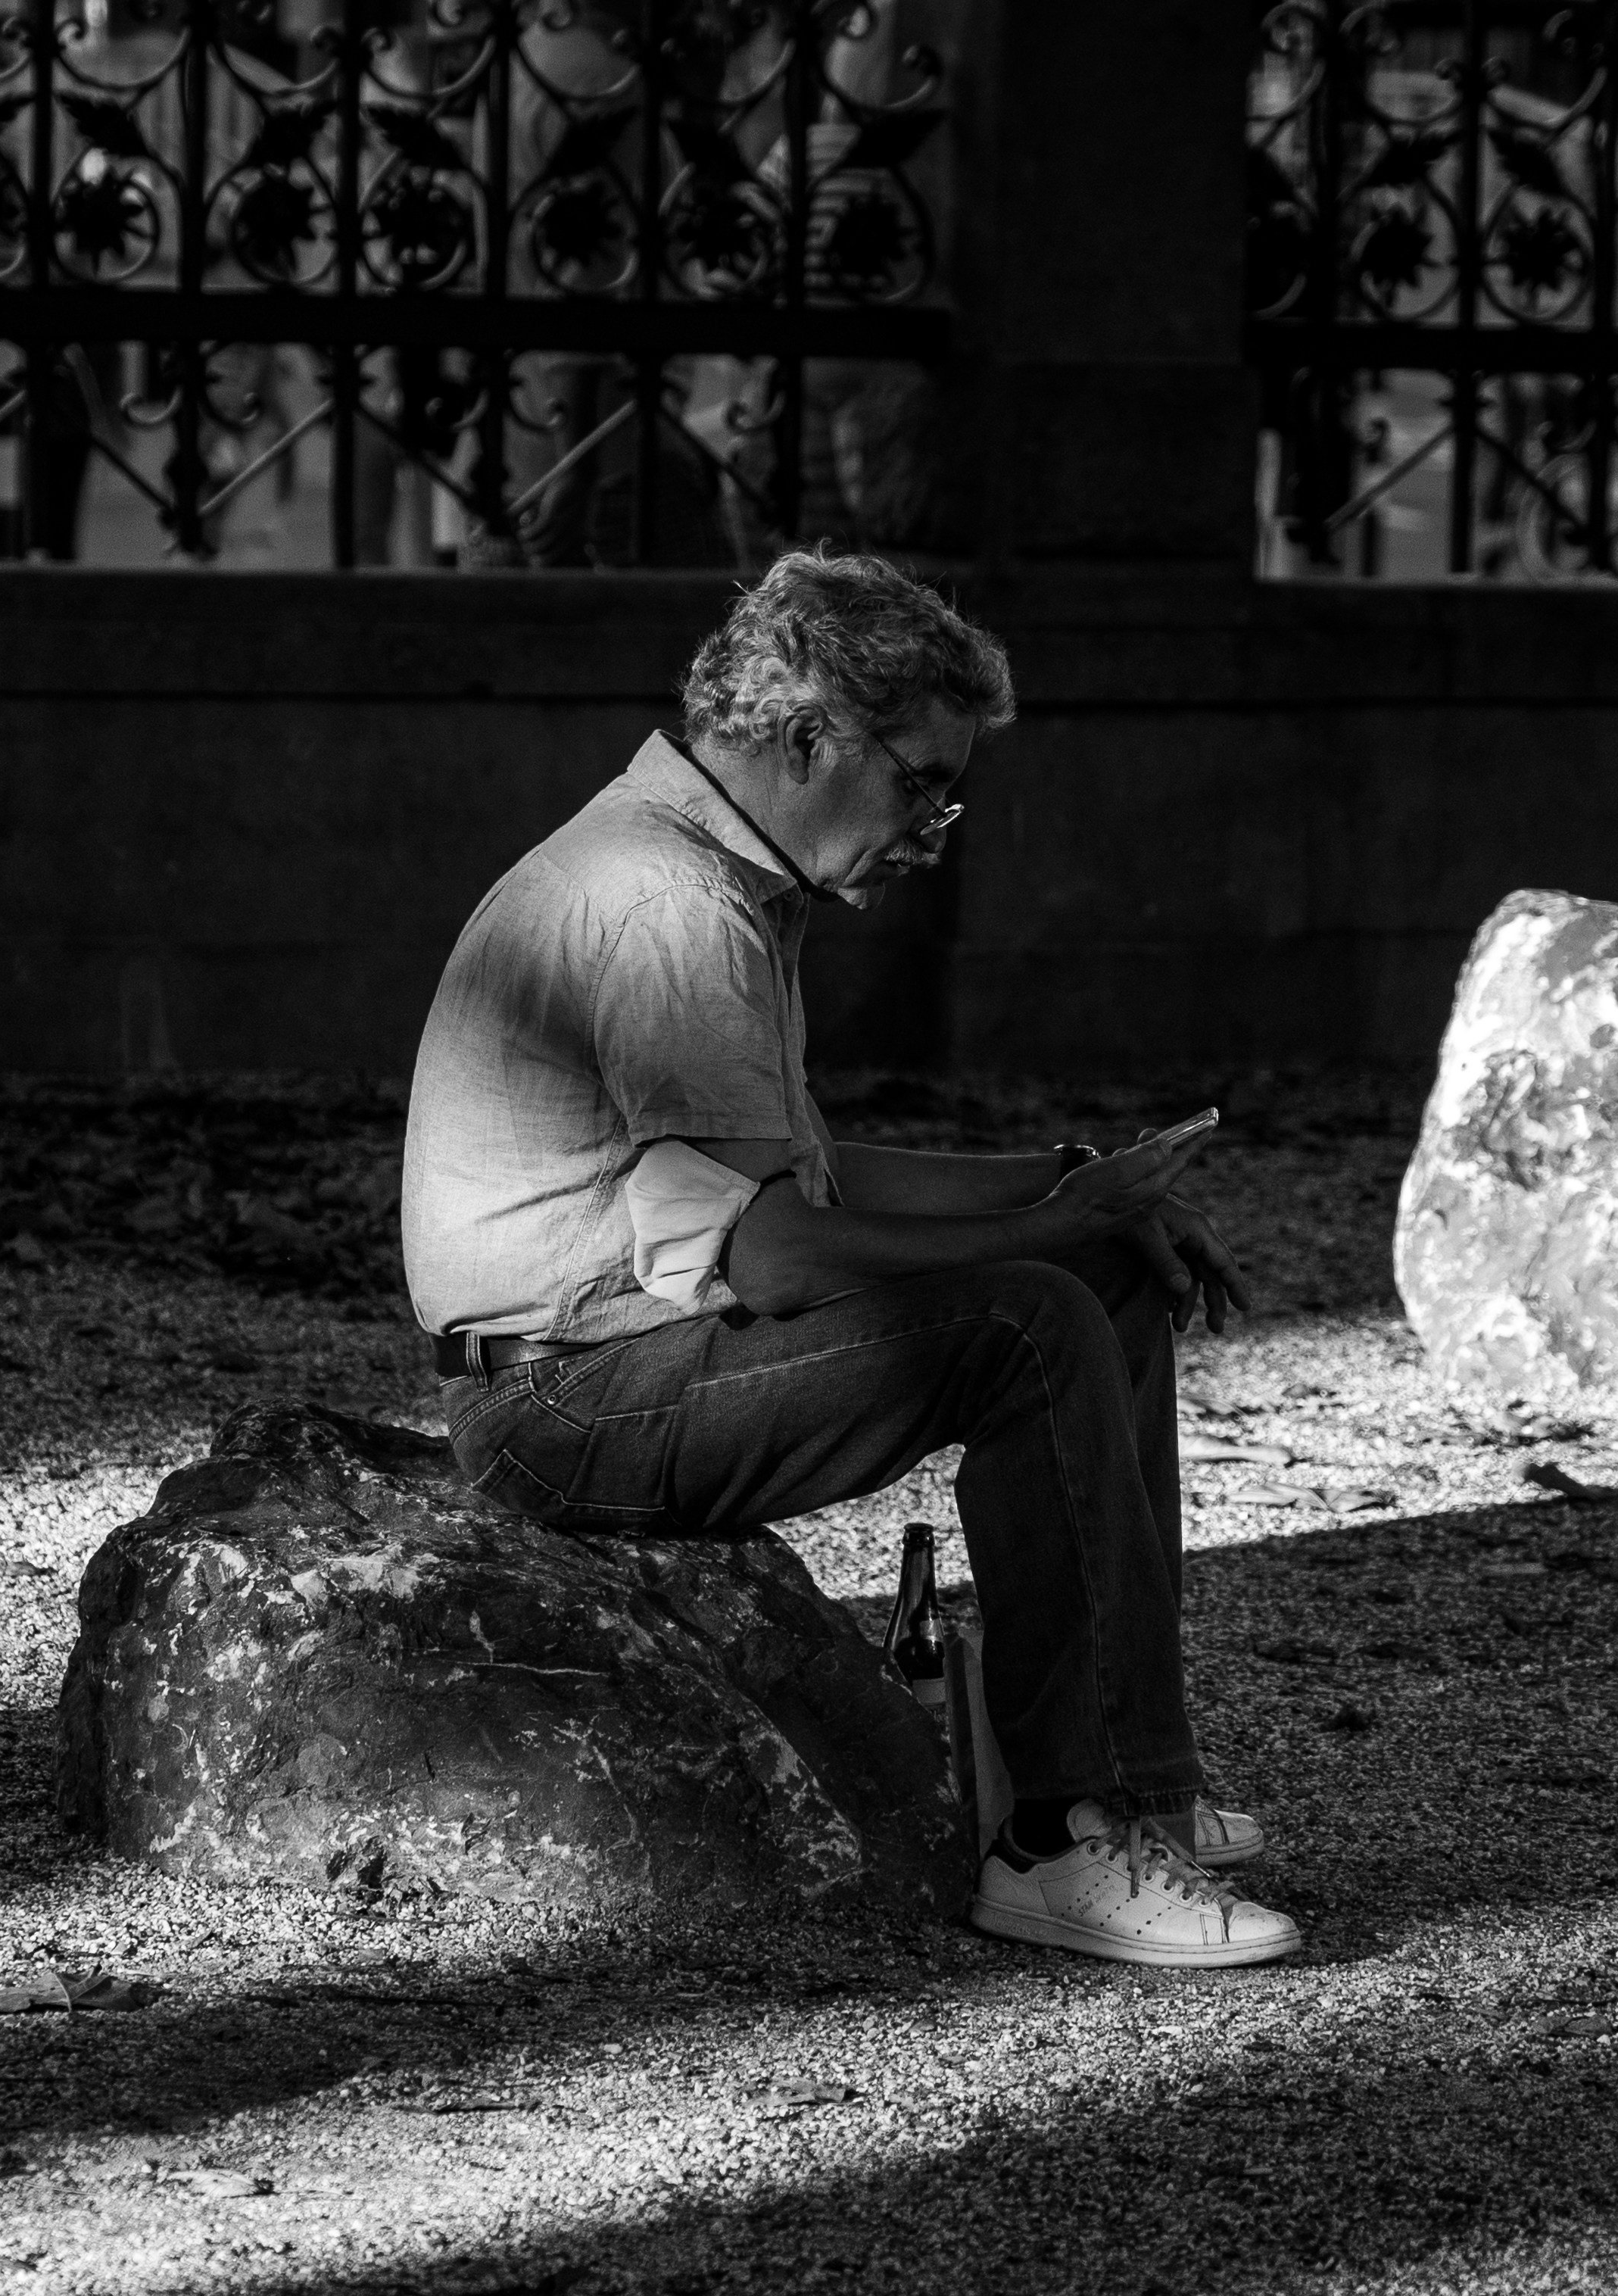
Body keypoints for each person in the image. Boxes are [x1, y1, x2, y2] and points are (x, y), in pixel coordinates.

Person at [401, 547, 1301, 1969]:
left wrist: (1071, 1183)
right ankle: (1055, 1842)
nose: (934, 825)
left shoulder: (706, 874)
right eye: (920, 782)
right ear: (808, 736)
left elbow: (801, 1178)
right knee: (1025, 1318)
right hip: (563, 1407)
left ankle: (1132, 1783)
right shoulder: (672, 909)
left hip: (614, 1363)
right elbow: (773, 1258)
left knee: (1100, 1279)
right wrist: (1037, 1232)